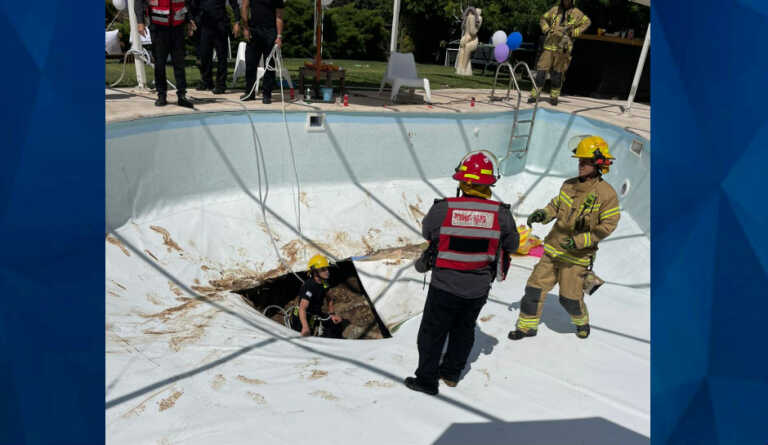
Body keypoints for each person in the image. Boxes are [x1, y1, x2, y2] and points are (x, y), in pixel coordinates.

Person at [405, 151, 519, 396]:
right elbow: (513, 246)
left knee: (432, 334)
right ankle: (451, 374)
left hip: (444, 286)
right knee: (464, 330)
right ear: (489, 184)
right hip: (477, 289)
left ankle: (426, 380)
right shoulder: (501, 214)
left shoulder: (443, 209)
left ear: (462, 182)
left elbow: (428, 234)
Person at [508, 135, 620, 341]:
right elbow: (557, 205)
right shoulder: (568, 185)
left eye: (585, 162)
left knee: (569, 299)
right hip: (553, 250)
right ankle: (526, 327)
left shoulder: (607, 195)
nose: (581, 165)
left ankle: (581, 322)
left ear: (598, 164)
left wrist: (578, 241)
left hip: (576, 257)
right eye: (579, 161)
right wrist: (544, 214)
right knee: (534, 289)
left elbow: (608, 226)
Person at [527, 0, 590, 106]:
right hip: (549, 46)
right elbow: (543, 18)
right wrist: (546, 29)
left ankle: (554, 97)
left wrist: (574, 32)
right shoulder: (554, 10)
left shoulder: (577, 13)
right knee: (541, 71)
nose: (566, 1)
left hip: (563, 48)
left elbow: (587, 22)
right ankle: (534, 95)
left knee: (557, 74)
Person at [135, 0, 195, 108]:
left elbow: (188, 3)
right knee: (160, 64)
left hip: (178, 27)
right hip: (158, 28)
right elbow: (139, 2)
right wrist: (140, 22)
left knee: (179, 63)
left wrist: (190, 19)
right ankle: (161, 95)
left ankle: (182, 96)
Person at [190, 0, 241, 94]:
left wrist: (237, 22)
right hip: (205, 25)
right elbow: (193, 5)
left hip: (221, 24)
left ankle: (221, 85)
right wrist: (191, 20)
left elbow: (234, 4)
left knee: (222, 56)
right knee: (204, 54)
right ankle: (207, 82)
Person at [290, 255, 345, 339]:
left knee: (336, 325)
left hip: (315, 314)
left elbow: (330, 299)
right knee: (307, 339)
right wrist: (305, 327)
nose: (327, 271)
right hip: (302, 317)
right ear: (315, 272)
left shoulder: (324, 283)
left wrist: (332, 314)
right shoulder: (310, 286)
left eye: (326, 268)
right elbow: (302, 308)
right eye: (323, 269)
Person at [239, 0, 284, 103]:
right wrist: (245, 28)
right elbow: (244, 6)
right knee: (250, 62)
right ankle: (249, 93)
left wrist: (279, 36)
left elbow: (279, 17)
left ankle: (267, 94)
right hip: (254, 30)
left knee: (270, 64)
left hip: (271, 31)